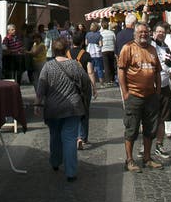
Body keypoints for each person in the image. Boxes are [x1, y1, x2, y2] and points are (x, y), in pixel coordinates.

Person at [34, 39, 90, 182]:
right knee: (70, 139)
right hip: (73, 107)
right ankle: (71, 172)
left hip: (53, 108)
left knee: (55, 136)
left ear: (52, 50)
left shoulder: (47, 67)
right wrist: (86, 100)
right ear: (67, 50)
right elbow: (86, 83)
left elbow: (40, 88)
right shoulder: (75, 65)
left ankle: (55, 162)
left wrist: (37, 105)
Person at [117, 22, 163, 172]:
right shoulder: (128, 48)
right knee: (132, 128)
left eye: (146, 32)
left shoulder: (152, 50)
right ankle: (129, 160)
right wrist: (125, 92)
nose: (144, 34)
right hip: (134, 95)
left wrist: (158, 91)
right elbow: (121, 71)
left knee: (150, 128)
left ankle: (147, 158)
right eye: (141, 32)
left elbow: (157, 72)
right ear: (135, 33)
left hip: (151, 95)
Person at [151, 23, 171, 159]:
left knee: (164, 118)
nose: (160, 34)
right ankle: (145, 147)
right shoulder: (150, 45)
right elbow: (142, 25)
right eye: (158, 31)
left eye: (163, 32)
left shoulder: (166, 48)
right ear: (153, 33)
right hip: (151, 88)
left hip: (164, 87)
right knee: (150, 119)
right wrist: (145, 13)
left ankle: (159, 145)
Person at [66, 31, 98, 150]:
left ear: (72, 41)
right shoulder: (86, 55)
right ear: (82, 42)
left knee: (71, 112)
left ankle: (73, 136)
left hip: (69, 86)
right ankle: (82, 137)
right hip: (83, 87)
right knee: (84, 112)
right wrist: (94, 87)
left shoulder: (66, 53)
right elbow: (90, 71)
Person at [100, 20, 116, 85]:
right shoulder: (112, 33)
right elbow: (115, 41)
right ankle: (113, 79)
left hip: (104, 50)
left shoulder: (101, 33)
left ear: (102, 26)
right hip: (111, 49)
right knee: (112, 65)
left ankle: (107, 80)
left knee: (106, 66)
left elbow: (100, 42)